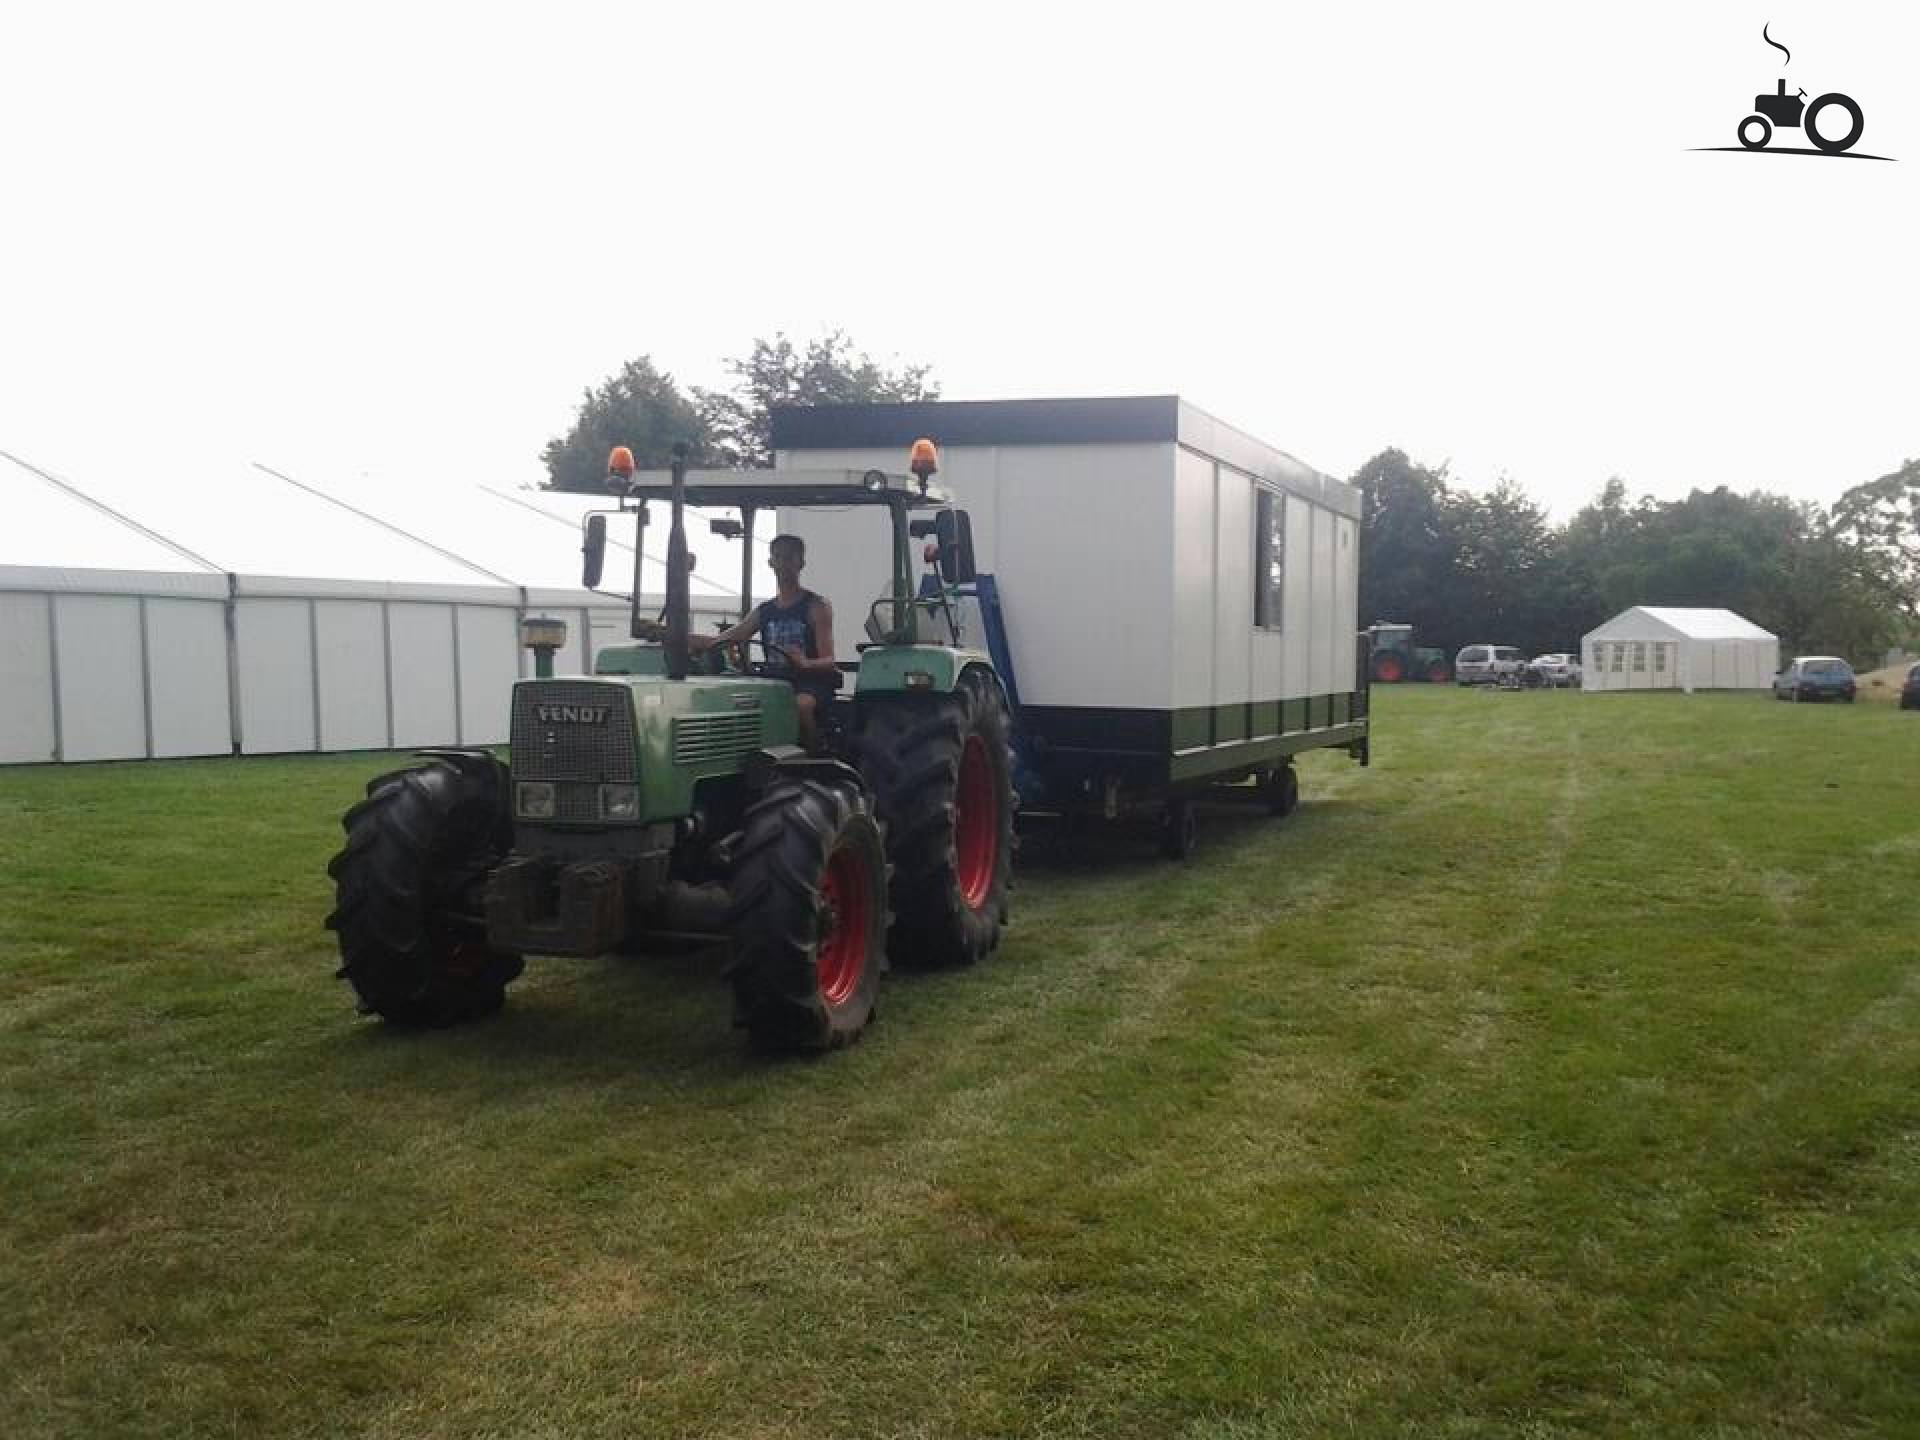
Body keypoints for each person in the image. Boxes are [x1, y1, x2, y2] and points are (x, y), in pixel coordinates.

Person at [638, 534, 838, 745]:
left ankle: (815, 749)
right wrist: (668, 633)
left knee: (800, 705)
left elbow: (829, 660)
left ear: (801, 563)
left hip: (808, 683)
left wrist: (805, 663)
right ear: (771, 563)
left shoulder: (816, 606)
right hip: (774, 682)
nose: (783, 564)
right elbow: (721, 641)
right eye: (778, 557)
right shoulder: (764, 611)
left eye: (790, 558)